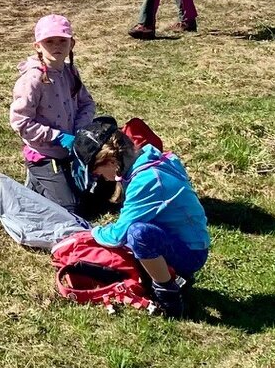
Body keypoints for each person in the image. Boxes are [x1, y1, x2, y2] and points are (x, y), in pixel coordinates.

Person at [80, 123, 209, 317]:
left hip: (191, 253)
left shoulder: (147, 180)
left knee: (138, 234)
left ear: (110, 160)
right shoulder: (150, 160)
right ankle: (169, 275)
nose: (99, 177)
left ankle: (169, 297)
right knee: (136, 234)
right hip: (184, 239)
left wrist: (92, 232)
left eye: (96, 171)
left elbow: (117, 236)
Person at [9, 14, 99, 214]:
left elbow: (87, 103)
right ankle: (36, 181)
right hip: (45, 154)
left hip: (72, 149)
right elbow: (21, 122)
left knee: (96, 195)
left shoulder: (70, 72)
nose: (56, 46)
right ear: (37, 46)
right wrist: (57, 137)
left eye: (62, 41)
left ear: (71, 44)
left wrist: (79, 129)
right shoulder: (32, 80)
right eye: (49, 41)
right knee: (70, 209)